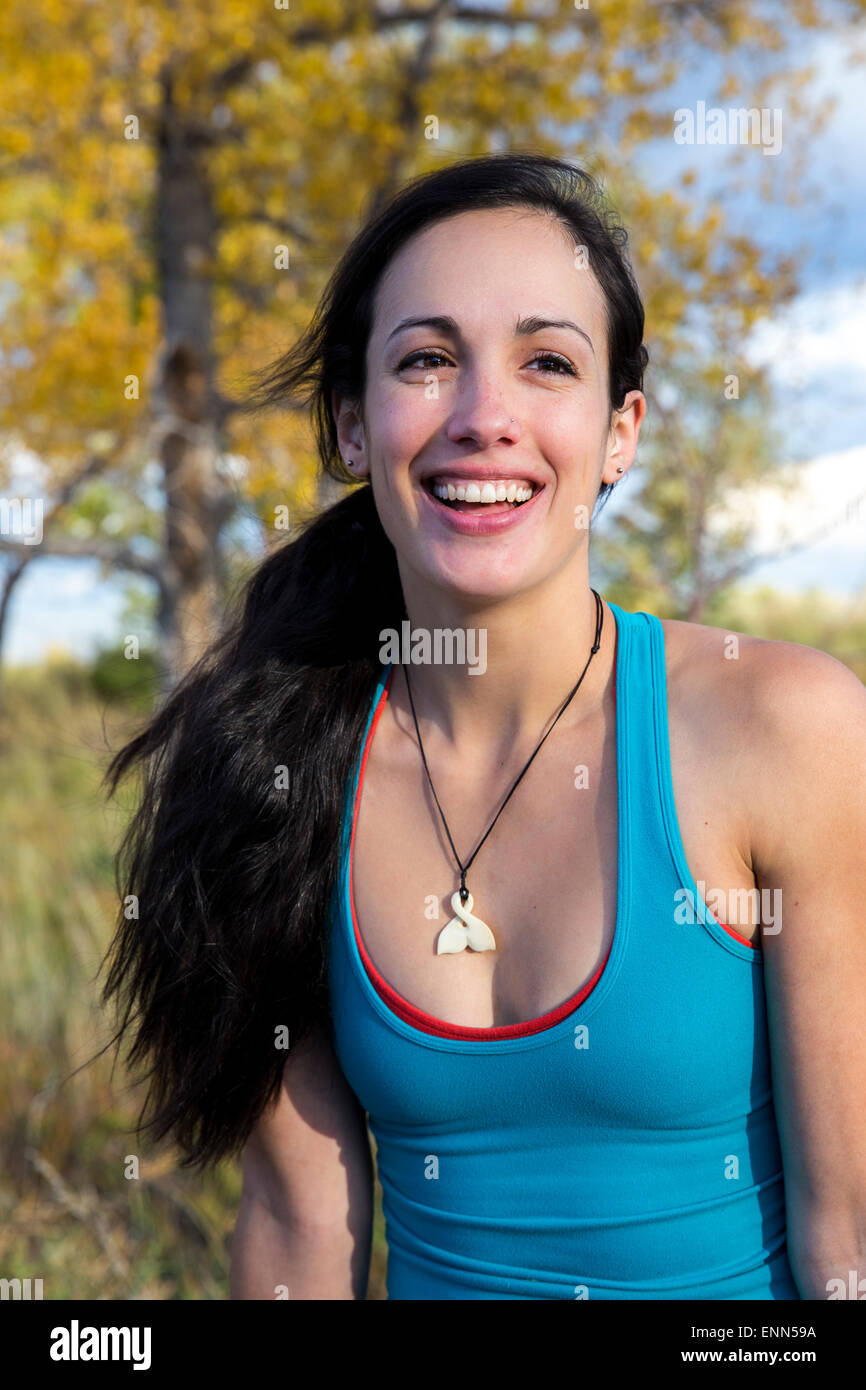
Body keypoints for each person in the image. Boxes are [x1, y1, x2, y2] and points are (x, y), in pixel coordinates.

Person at [101, 153, 866, 1301]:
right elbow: (300, 1231)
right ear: (354, 429)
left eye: (545, 362)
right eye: (426, 360)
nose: (482, 417)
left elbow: (848, 1247)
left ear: (620, 433)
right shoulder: (278, 772)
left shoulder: (784, 729)